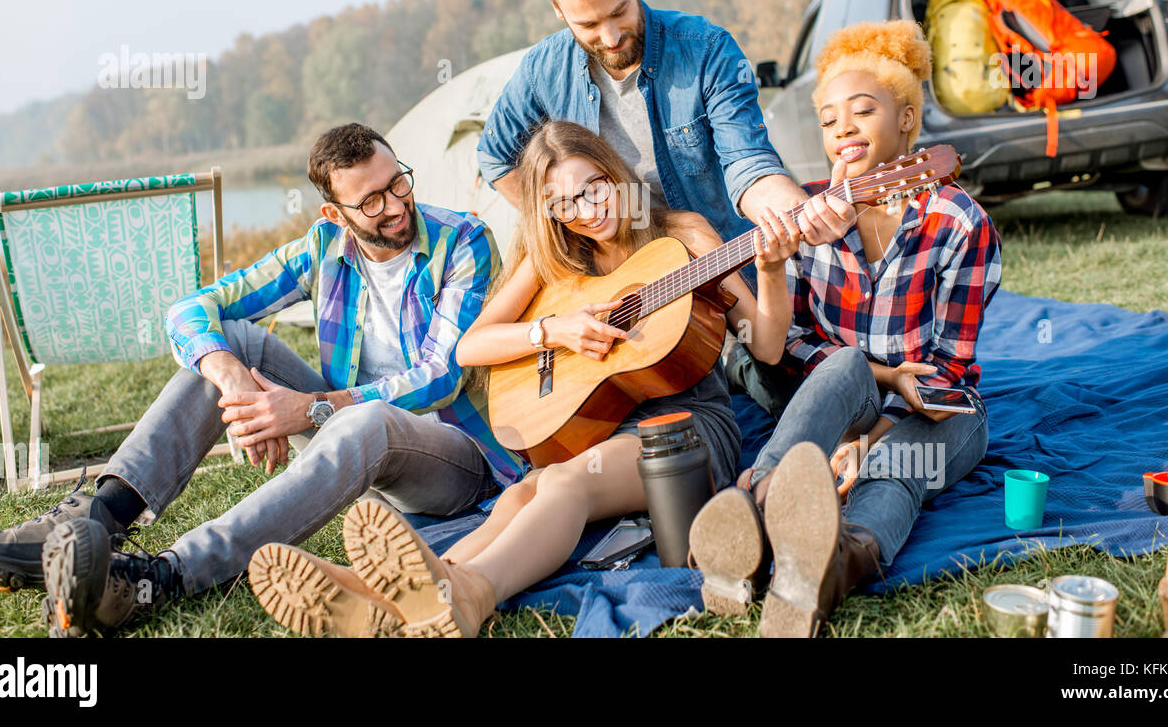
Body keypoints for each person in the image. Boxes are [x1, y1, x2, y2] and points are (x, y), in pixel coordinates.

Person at [0, 123, 522, 636]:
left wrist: (315, 408)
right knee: (234, 343)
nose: (396, 205)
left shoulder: (462, 241)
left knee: (366, 418)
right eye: (370, 200)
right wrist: (231, 376)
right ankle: (91, 524)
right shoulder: (322, 249)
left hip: (454, 464)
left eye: (399, 183)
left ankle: (162, 575)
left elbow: (443, 375)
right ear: (335, 214)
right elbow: (190, 310)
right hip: (351, 448)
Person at [251, 120, 807, 637]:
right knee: (521, 495)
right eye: (564, 204)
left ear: (614, 173)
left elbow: (765, 344)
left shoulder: (684, 236)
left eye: (594, 187)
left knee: (564, 483)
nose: (586, 210)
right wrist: (553, 331)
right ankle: (381, 599)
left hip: (685, 432)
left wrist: (772, 268)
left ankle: (470, 595)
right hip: (600, 430)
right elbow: (471, 346)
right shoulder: (559, 261)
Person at [688, 20, 1003, 637]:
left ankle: (827, 572)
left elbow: (950, 368)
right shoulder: (808, 214)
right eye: (830, 120)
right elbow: (790, 345)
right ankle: (758, 512)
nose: (843, 130)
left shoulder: (960, 223)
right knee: (846, 363)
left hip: (936, 408)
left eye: (863, 111)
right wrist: (773, 269)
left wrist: (870, 440)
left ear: (907, 119)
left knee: (896, 468)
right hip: (841, 393)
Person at [476, 0, 856, 256]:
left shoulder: (707, 49)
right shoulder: (543, 69)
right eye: (588, 26)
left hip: (721, 269)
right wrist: (566, 229)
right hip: (621, 281)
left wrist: (799, 211)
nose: (609, 38)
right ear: (559, 12)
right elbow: (495, 158)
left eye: (619, 11)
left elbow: (747, 163)